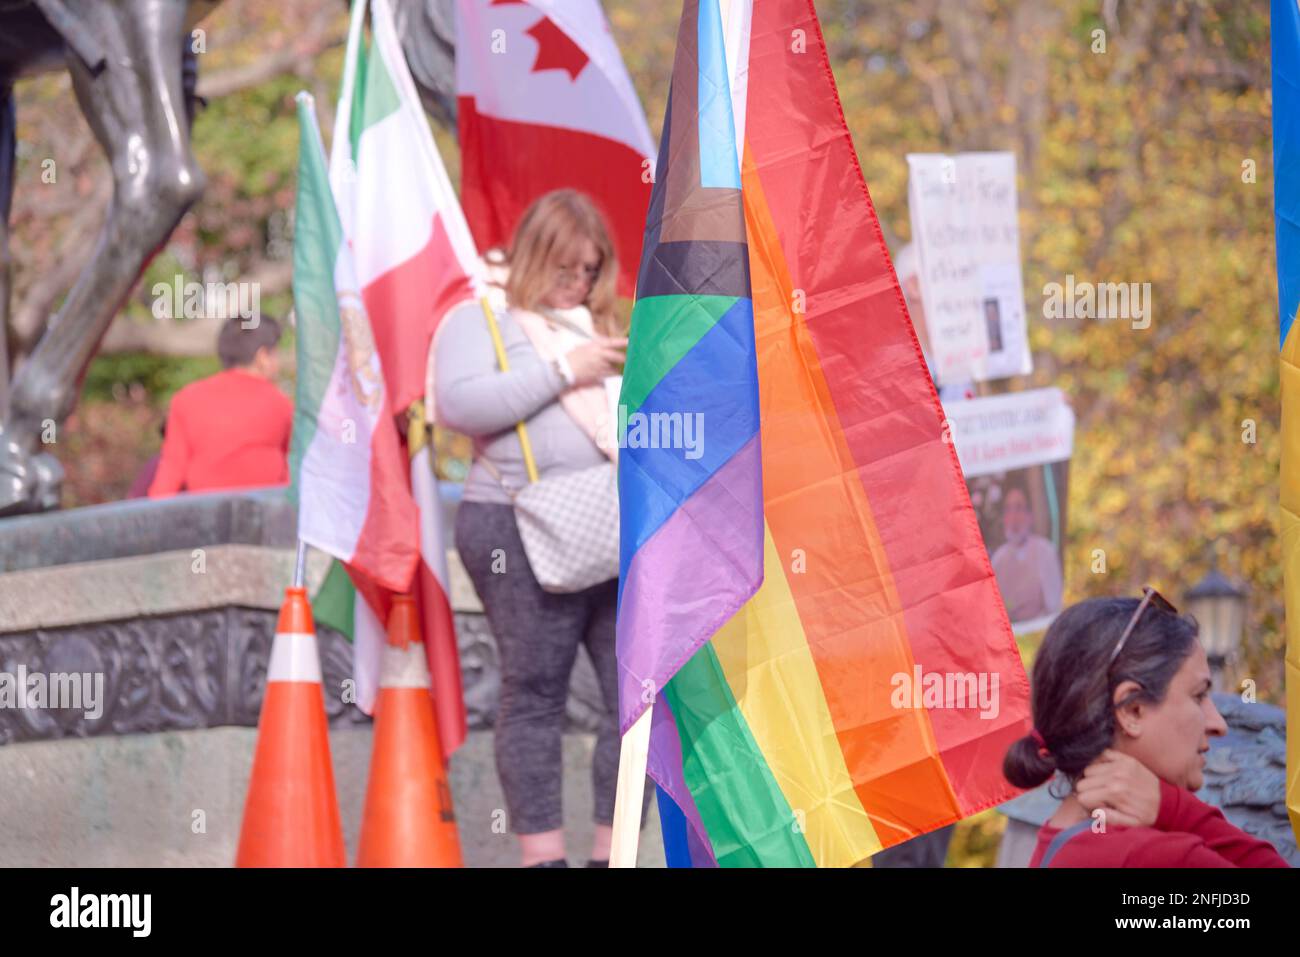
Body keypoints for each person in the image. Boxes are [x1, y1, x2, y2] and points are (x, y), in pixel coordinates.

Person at [433, 189, 627, 868]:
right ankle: (542, 858)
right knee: (537, 689)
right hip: (514, 525)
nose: (576, 284)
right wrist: (565, 370)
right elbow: (459, 404)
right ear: (534, 257)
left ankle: (611, 853)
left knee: (638, 697)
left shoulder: (600, 326)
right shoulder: (481, 319)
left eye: (589, 271)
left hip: (609, 525)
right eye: (564, 269)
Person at [1004, 591, 1289, 867]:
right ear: (1132, 710)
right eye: (1198, 695)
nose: (1219, 724)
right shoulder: (1157, 856)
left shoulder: (1060, 835)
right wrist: (1175, 810)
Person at [148, 316, 292, 497]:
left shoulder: (186, 399)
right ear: (262, 357)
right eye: (276, 353)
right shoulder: (280, 403)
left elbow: (169, 477)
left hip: (206, 511)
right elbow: (295, 472)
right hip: (266, 510)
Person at [990, 484, 1063, 623]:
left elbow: (1053, 607)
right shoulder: (998, 560)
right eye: (1008, 509)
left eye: (1019, 508)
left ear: (1030, 516)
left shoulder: (1046, 551)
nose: (1014, 517)